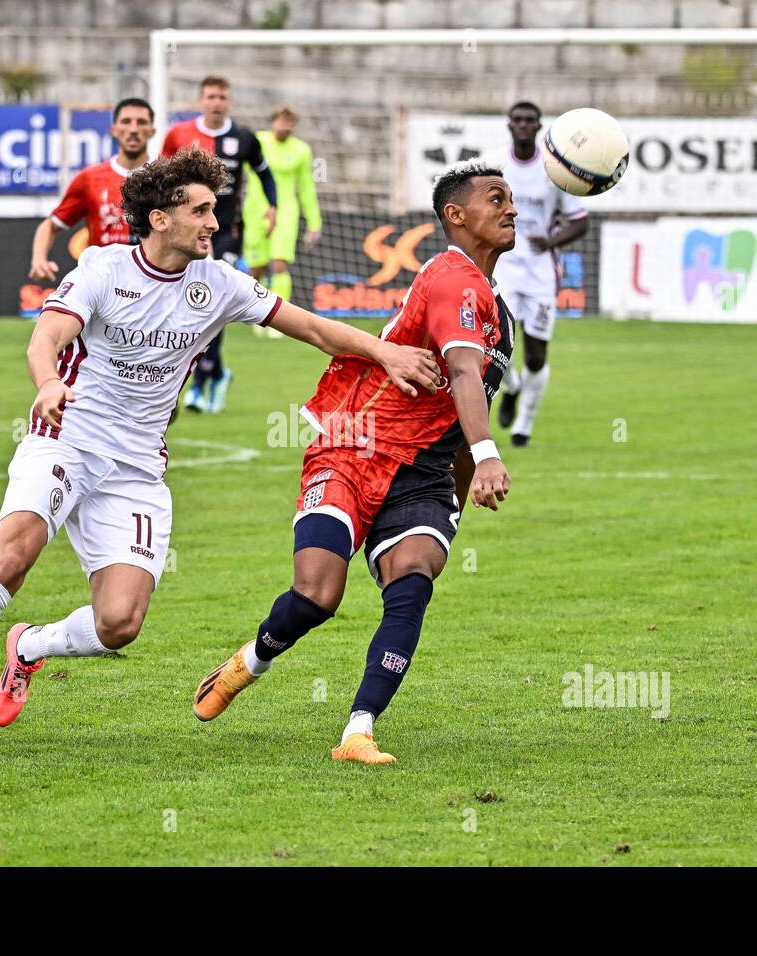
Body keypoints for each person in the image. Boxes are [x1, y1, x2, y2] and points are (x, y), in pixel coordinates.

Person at [0, 147, 440, 756]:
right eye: (201, 210)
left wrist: (385, 351)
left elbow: (311, 327)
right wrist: (49, 382)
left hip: (135, 470)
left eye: (215, 209)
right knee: (14, 552)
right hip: (66, 440)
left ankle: (28, 646)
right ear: (160, 218)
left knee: (119, 624)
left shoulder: (220, 283)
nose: (214, 222)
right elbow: (47, 335)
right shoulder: (102, 269)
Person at [191, 159, 517, 765]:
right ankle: (248, 663)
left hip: (421, 473)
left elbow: (471, 399)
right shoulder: (451, 278)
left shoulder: (500, 314)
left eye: (511, 199)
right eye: (495, 198)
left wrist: (460, 495)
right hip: (352, 444)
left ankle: (357, 731)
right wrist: (490, 454)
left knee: (413, 579)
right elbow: (465, 373)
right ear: (456, 216)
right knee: (317, 596)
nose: (511, 208)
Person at [161, 75, 277, 413]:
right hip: (186, 230)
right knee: (191, 299)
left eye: (222, 97)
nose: (216, 102)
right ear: (201, 100)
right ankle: (215, 371)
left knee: (212, 299)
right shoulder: (179, 135)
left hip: (225, 230)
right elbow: (161, 174)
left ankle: (201, 379)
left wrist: (272, 206)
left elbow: (264, 173)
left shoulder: (243, 138)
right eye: (210, 96)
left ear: (229, 101)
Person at [492, 101, 588, 445]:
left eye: (529, 121)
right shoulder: (496, 166)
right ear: (509, 125)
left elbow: (580, 221)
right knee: (496, 344)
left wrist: (550, 240)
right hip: (503, 268)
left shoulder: (555, 170)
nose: (522, 125)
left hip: (541, 273)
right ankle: (510, 386)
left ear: (538, 127)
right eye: (516, 120)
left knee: (535, 356)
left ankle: (525, 423)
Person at [28, 97, 155, 282]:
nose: (133, 129)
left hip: (152, 284)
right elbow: (50, 225)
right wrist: (39, 261)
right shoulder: (89, 178)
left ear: (152, 131)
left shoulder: (167, 178)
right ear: (114, 130)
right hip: (103, 284)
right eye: (126, 122)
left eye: (141, 122)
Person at [242, 106, 322, 333]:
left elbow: (307, 188)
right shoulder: (258, 142)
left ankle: (278, 323)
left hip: (286, 212)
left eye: (290, 123)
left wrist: (314, 222)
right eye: (281, 121)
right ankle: (256, 317)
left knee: (279, 264)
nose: (285, 126)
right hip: (256, 210)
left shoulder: (301, 150)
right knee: (256, 268)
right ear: (273, 122)